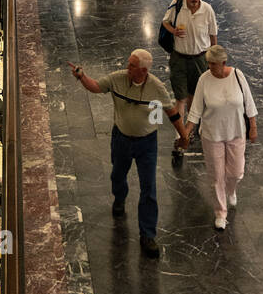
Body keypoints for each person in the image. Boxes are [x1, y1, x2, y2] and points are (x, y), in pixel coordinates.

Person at [68, 49, 183, 259]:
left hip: (147, 143)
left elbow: (170, 112)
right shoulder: (118, 79)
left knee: (149, 188)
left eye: (131, 65)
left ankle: (148, 234)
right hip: (121, 138)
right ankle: (119, 198)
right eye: (128, 63)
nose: (127, 67)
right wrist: (82, 76)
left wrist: (183, 136)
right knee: (118, 174)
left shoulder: (156, 87)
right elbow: (96, 87)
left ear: (143, 70)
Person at [182, 45, 258, 230]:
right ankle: (220, 213)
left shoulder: (238, 76)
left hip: (236, 132)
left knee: (236, 172)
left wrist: (253, 127)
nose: (209, 67)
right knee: (216, 176)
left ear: (223, 63)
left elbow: (249, 102)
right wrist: (186, 131)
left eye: (213, 64)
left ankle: (231, 190)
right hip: (212, 135)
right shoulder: (204, 80)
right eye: (208, 63)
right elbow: (196, 109)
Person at [161, 0, 218, 162]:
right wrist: (173, 31)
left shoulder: (207, 9)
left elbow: (213, 35)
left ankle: (190, 128)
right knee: (180, 98)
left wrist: (213, 59)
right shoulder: (177, 6)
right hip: (179, 58)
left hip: (199, 59)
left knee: (195, 95)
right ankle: (181, 135)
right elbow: (165, 22)